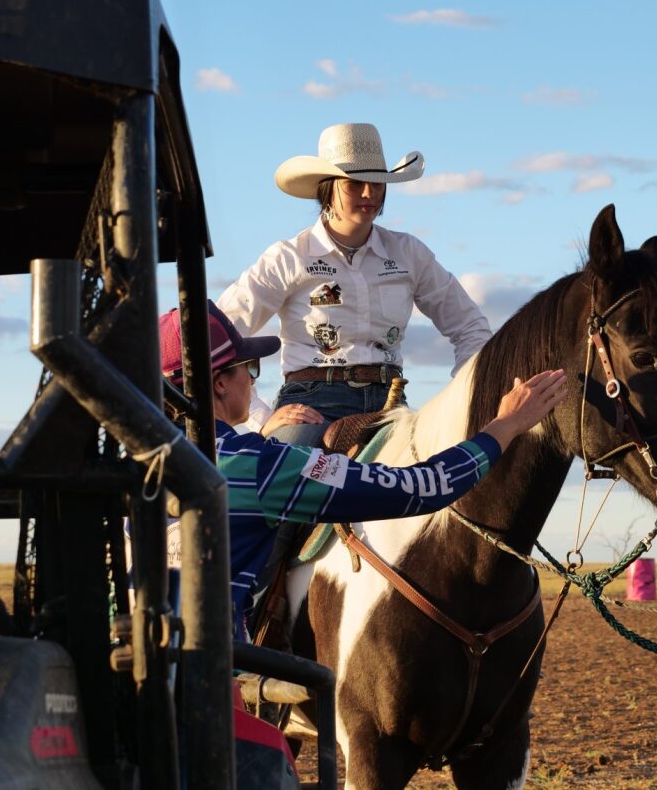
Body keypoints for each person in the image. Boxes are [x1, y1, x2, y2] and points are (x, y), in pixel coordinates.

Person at [158, 301, 565, 641]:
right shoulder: (258, 466)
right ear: (218, 384)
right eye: (248, 367)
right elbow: (419, 487)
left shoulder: (136, 463)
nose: (251, 378)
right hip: (207, 685)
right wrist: (504, 425)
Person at [218, 122, 492, 444]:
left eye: (377, 183)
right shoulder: (288, 257)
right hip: (310, 403)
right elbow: (217, 339)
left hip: (391, 404)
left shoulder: (409, 254)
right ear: (326, 188)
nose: (368, 193)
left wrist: (463, 398)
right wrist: (262, 419)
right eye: (354, 183)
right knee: (285, 479)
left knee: (440, 478)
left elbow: (471, 327)